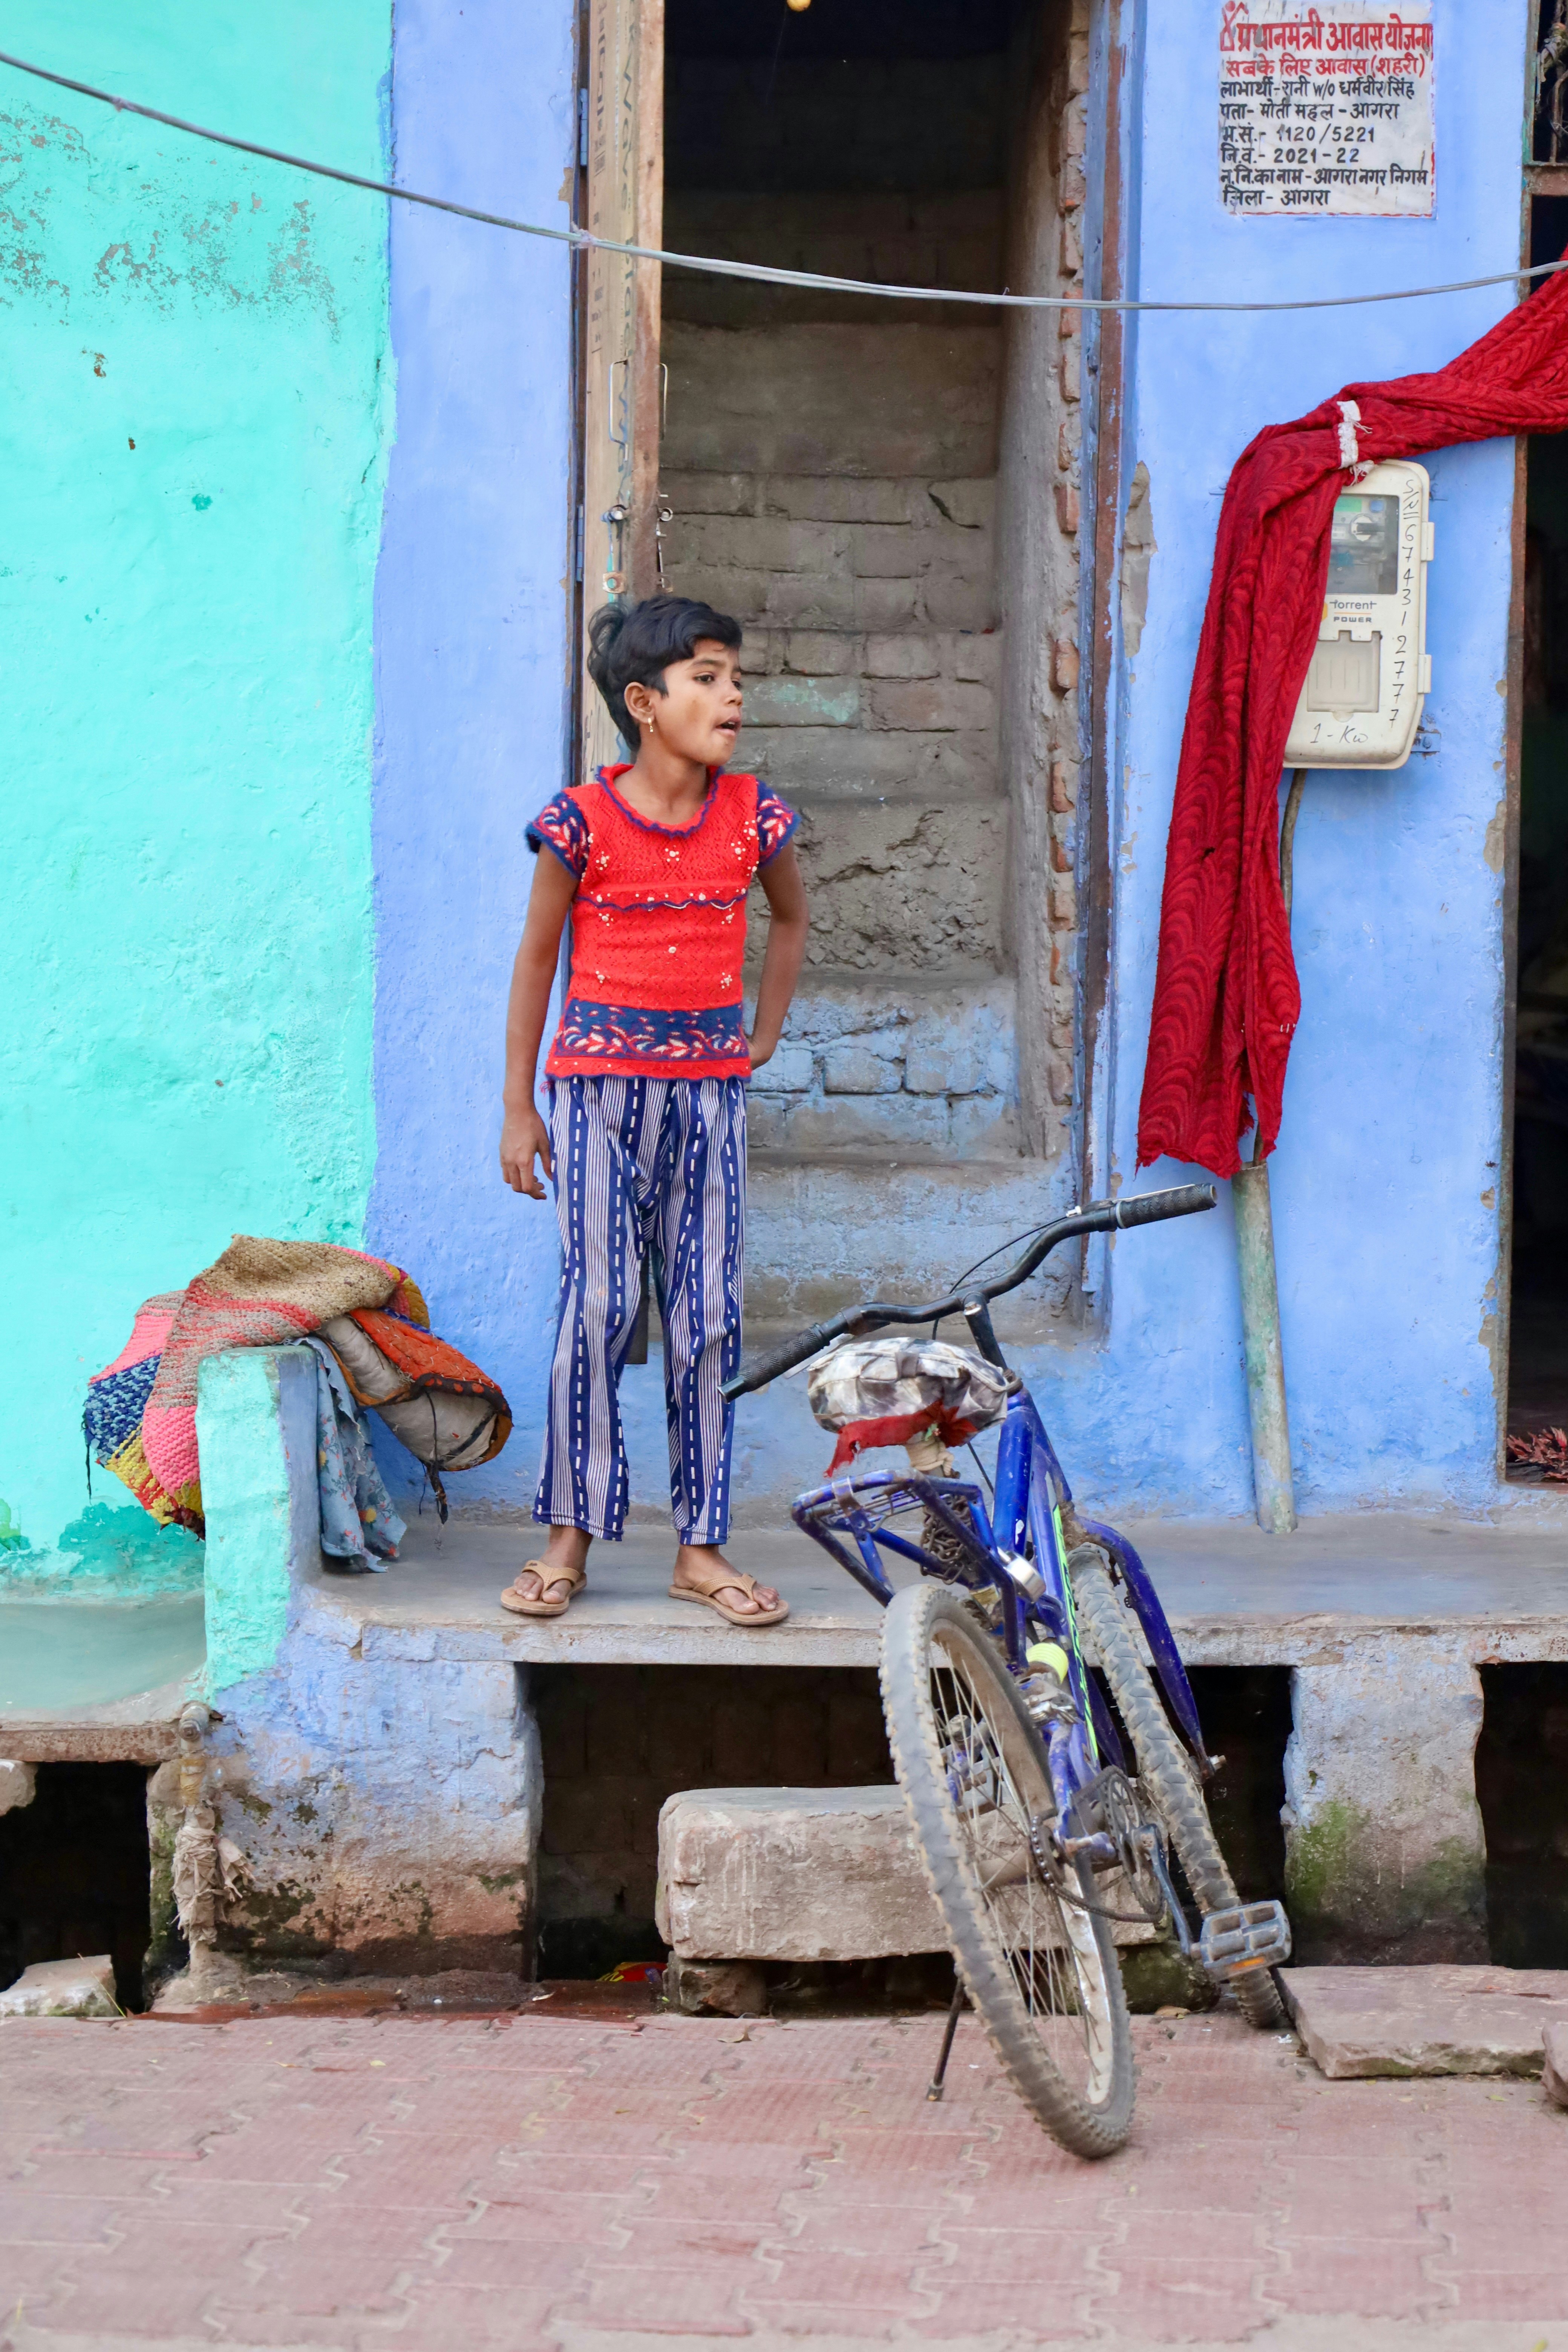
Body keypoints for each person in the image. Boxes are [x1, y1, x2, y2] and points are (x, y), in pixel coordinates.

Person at [497, 595, 809, 1624]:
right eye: (709, 677)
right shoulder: (580, 823)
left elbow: (793, 918)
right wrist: (519, 1108)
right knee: (598, 1304)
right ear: (644, 703)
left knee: (710, 1316)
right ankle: (569, 1537)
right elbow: (537, 960)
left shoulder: (755, 814)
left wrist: (759, 1034)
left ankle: (701, 1549)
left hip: (711, 1101)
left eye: (736, 677)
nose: (733, 695)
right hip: (592, 1094)